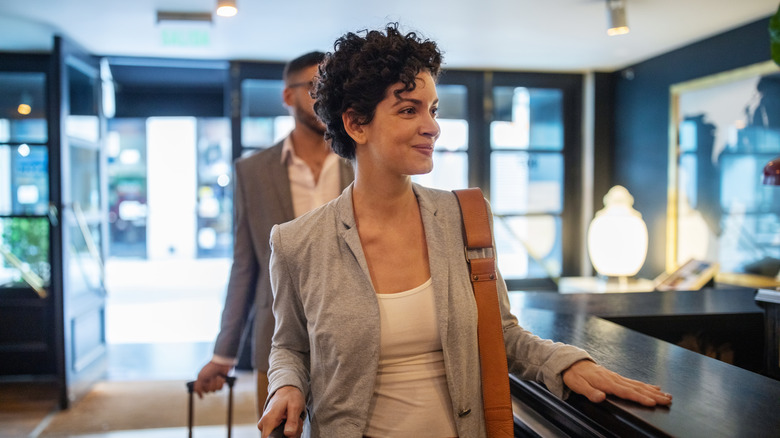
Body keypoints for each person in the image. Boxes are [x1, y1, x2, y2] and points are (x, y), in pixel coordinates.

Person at [257, 25, 672, 438]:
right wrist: (287, 385)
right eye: (408, 110)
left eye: (433, 109)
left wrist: (567, 362)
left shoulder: (465, 216)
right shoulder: (297, 242)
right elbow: (290, 346)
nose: (432, 127)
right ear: (356, 124)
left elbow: (501, 332)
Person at [192, 51, 354, 414]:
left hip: (353, 337)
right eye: (314, 87)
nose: (324, 96)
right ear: (287, 96)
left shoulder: (361, 161)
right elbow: (245, 265)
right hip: (277, 338)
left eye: (332, 87)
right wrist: (224, 352)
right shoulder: (253, 171)